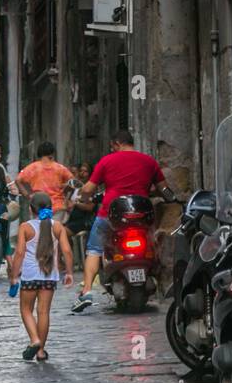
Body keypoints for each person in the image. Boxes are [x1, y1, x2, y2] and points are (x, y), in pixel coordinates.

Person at [71, 129, 171, 313]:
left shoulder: (107, 161)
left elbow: (88, 189)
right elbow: (164, 189)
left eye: (112, 147)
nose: (112, 150)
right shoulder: (149, 161)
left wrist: (84, 198)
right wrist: (171, 198)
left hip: (111, 214)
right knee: (153, 241)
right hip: (142, 216)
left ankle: (86, 291)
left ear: (117, 144)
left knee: (94, 249)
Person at [9, 191, 73, 361]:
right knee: (43, 312)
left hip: (30, 276)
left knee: (26, 310)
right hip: (49, 276)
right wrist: (69, 273)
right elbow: (66, 250)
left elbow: (20, 252)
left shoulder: (25, 227)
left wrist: (14, 275)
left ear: (31, 209)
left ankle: (34, 340)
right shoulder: (58, 227)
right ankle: (41, 351)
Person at [14, 142, 74, 223]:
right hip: (57, 206)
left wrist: (28, 195)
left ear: (39, 154)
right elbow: (73, 182)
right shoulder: (60, 168)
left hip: (37, 206)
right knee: (54, 233)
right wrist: (66, 195)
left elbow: (17, 180)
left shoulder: (32, 167)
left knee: (38, 232)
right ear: (52, 153)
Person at [65, 163, 95, 270]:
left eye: (85, 171)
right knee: (58, 230)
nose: (83, 173)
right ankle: (69, 260)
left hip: (83, 220)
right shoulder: (76, 187)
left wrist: (76, 204)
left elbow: (90, 207)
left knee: (62, 232)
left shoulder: (90, 189)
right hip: (71, 218)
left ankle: (69, 261)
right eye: (81, 171)